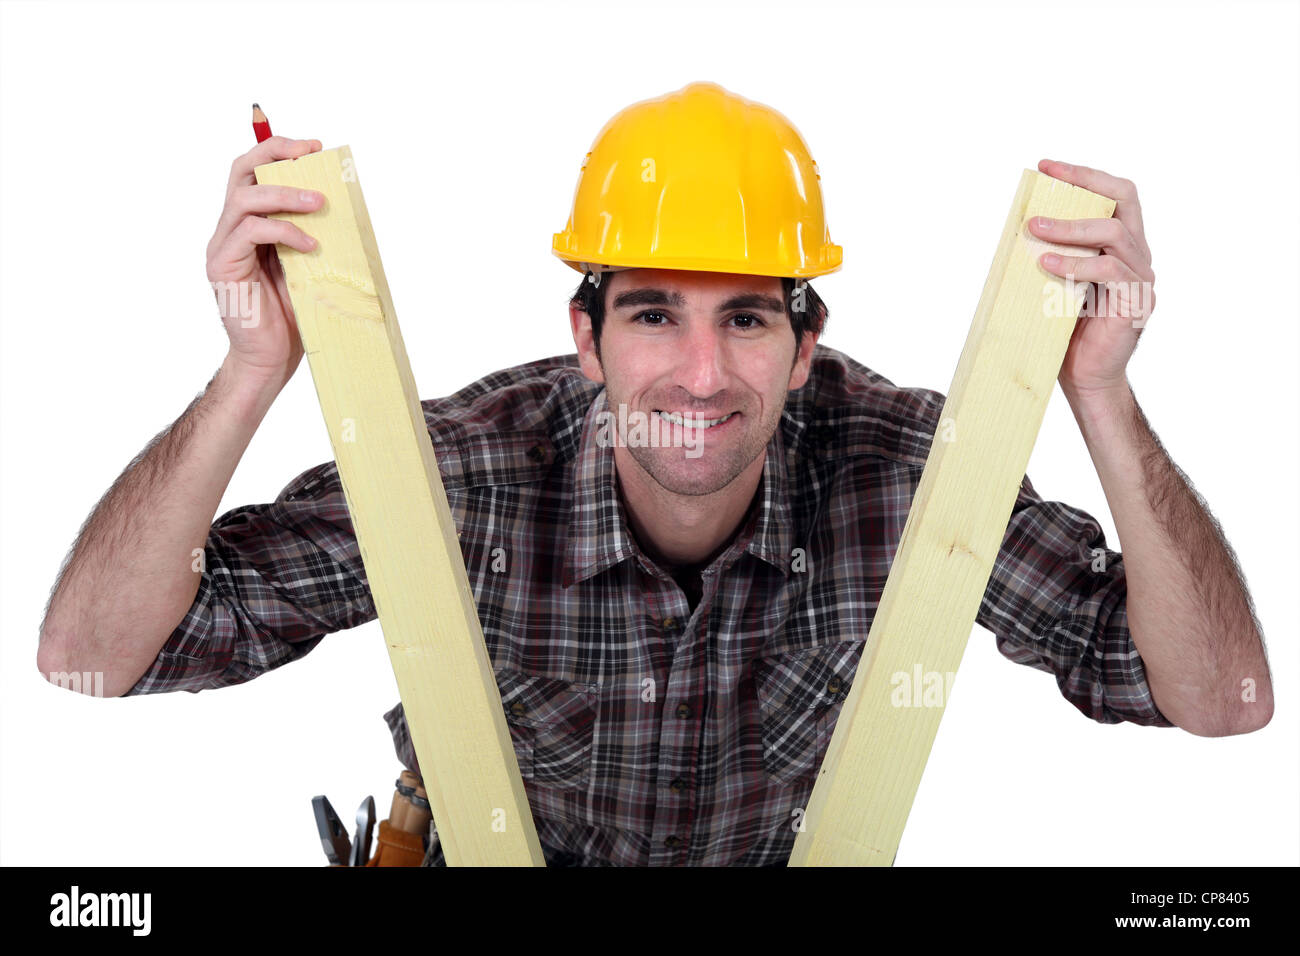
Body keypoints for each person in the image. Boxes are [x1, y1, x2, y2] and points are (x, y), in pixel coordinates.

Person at [38, 82, 1273, 867]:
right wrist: (252, 368)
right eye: (650, 314)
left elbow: (1218, 695)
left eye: (746, 318)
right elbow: (96, 650)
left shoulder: (907, 477)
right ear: (584, 338)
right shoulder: (462, 476)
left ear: (805, 346)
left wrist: (1100, 391)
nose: (699, 373)